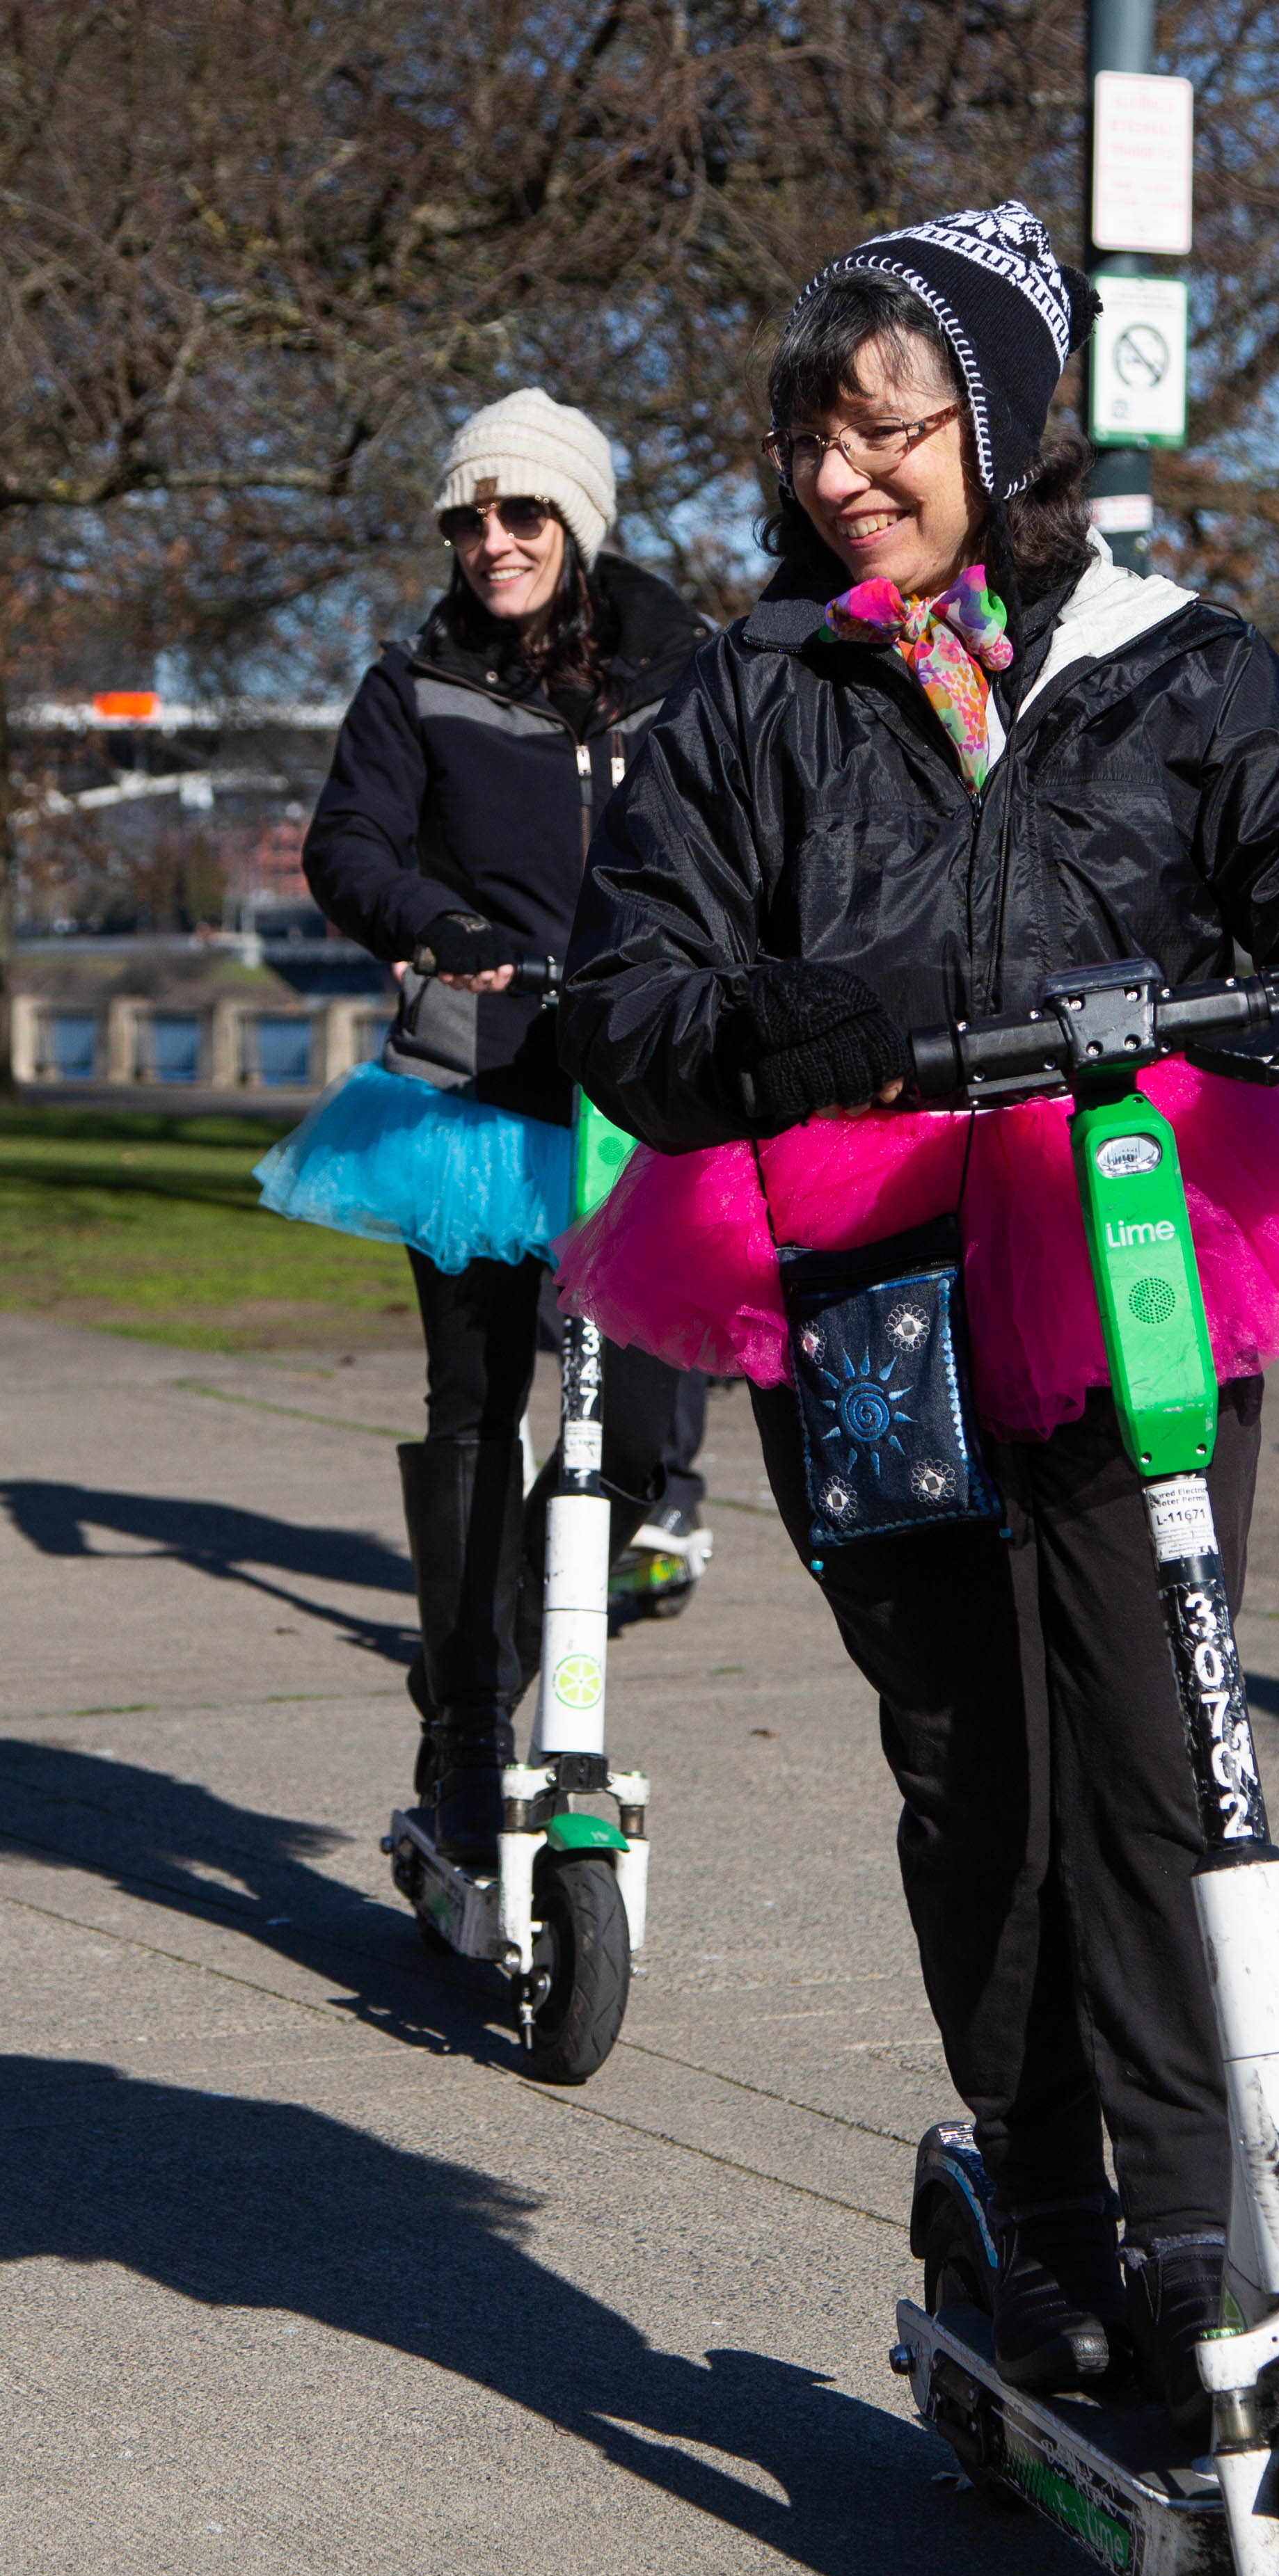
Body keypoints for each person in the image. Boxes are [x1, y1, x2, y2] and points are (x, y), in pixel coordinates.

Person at [551, 204, 1279, 2437]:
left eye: (886, 429)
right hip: (867, 1269)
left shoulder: (1171, 658)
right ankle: (1048, 2213)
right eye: (808, 436)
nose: (836, 477)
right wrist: (799, 1019)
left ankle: (1188, 2221)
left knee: (1158, 1736)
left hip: (1131, 1247)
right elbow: (635, 1006)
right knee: (972, 1754)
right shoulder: (748, 700)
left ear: (1002, 423)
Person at [256, 387, 713, 1870]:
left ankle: (483, 1656)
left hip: (639, 1092)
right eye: (468, 517)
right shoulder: (416, 684)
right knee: (478, 1412)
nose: (492, 541)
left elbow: (750, 837)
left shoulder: (688, 672)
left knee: (637, 1442)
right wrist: (435, 922)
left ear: (578, 522)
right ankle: (465, 1741)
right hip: (473, 1089)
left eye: (521, 514)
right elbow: (348, 845)